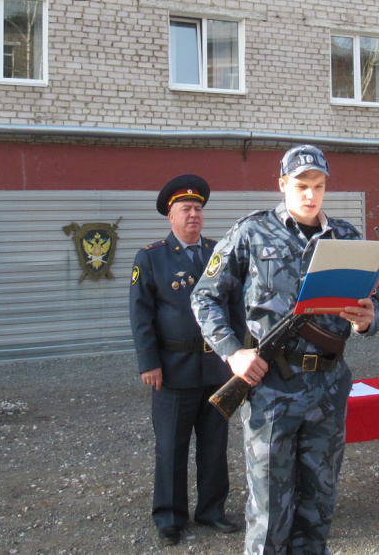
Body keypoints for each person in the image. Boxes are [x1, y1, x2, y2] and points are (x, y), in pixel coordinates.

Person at [192, 144, 379, 555]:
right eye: (301, 185)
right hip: (272, 388)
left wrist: (367, 319)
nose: (311, 195)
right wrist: (233, 352)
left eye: (319, 185)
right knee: (270, 509)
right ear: (282, 184)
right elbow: (204, 296)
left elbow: (371, 301)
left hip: (328, 388)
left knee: (319, 501)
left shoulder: (346, 237)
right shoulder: (251, 232)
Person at [130, 174, 242, 547]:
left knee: (214, 444)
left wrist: (238, 356)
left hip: (216, 368)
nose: (193, 215)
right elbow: (141, 315)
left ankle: (211, 510)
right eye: (185, 209)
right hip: (173, 369)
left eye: (198, 209)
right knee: (171, 447)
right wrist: (148, 362)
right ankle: (170, 517)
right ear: (171, 216)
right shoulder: (152, 257)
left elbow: (235, 308)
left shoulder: (218, 253)